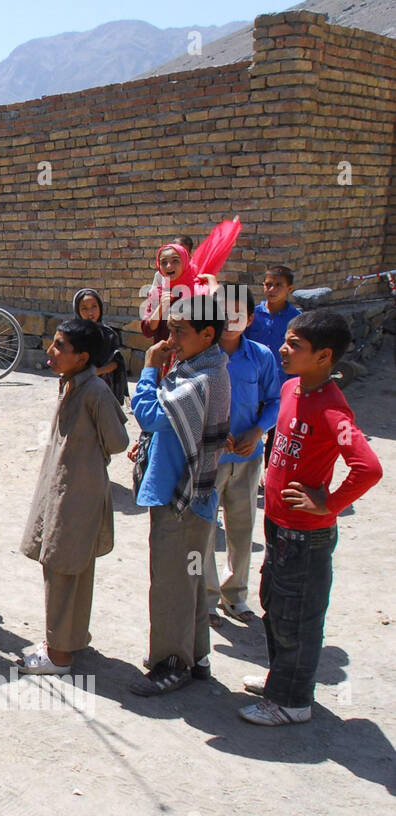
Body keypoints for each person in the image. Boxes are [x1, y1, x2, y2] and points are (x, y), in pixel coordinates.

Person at [242, 310, 382, 725]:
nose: (283, 350)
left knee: (298, 615)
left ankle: (292, 702)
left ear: (324, 356)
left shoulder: (332, 409)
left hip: (307, 534)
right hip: (279, 526)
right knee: (274, 603)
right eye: (285, 341)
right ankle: (281, 681)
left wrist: (330, 503)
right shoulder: (290, 389)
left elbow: (369, 467)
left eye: (294, 345)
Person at [129, 293, 231, 696]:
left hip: (182, 500)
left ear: (207, 334)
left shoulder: (202, 379)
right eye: (170, 329)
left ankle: (171, 663)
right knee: (188, 579)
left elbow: (152, 415)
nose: (170, 338)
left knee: (172, 583)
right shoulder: (199, 366)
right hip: (193, 496)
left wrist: (149, 369)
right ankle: (196, 655)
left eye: (179, 331)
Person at [19, 319, 130, 673]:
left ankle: (59, 656)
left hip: (78, 494)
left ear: (82, 358)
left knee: (64, 567)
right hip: (64, 487)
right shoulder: (70, 384)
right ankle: (68, 639)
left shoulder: (95, 391)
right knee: (67, 567)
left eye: (59, 347)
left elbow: (118, 441)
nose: (51, 352)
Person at [202, 287, 281, 625]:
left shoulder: (261, 356)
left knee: (242, 527)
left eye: (238, 313)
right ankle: (204, 598)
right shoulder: (202, 354)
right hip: (209, 459)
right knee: (205, 531)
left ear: (250, 319)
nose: (230, 320)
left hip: (247, 459)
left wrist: (257, 430)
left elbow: (275, 401)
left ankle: (235, 595)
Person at [245, 265, 300, 471]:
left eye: (279, 285)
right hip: (253, 383)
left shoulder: (295, 318)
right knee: (252, 426)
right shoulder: (253, 315)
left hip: (282, 385)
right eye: (268, 284)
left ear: (290, 289)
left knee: (277, 431)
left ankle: (269, 471)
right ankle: (249, 467)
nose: (272, 289)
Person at [73, 288, 128, 405]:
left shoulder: (109, 334)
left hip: (105, 388)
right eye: (84, 308)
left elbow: (116, 363)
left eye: (94, 306)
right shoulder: (73, 336)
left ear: (100, 308)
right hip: (79, 386)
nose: (90, 312)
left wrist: (96, 372)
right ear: (77, 310)